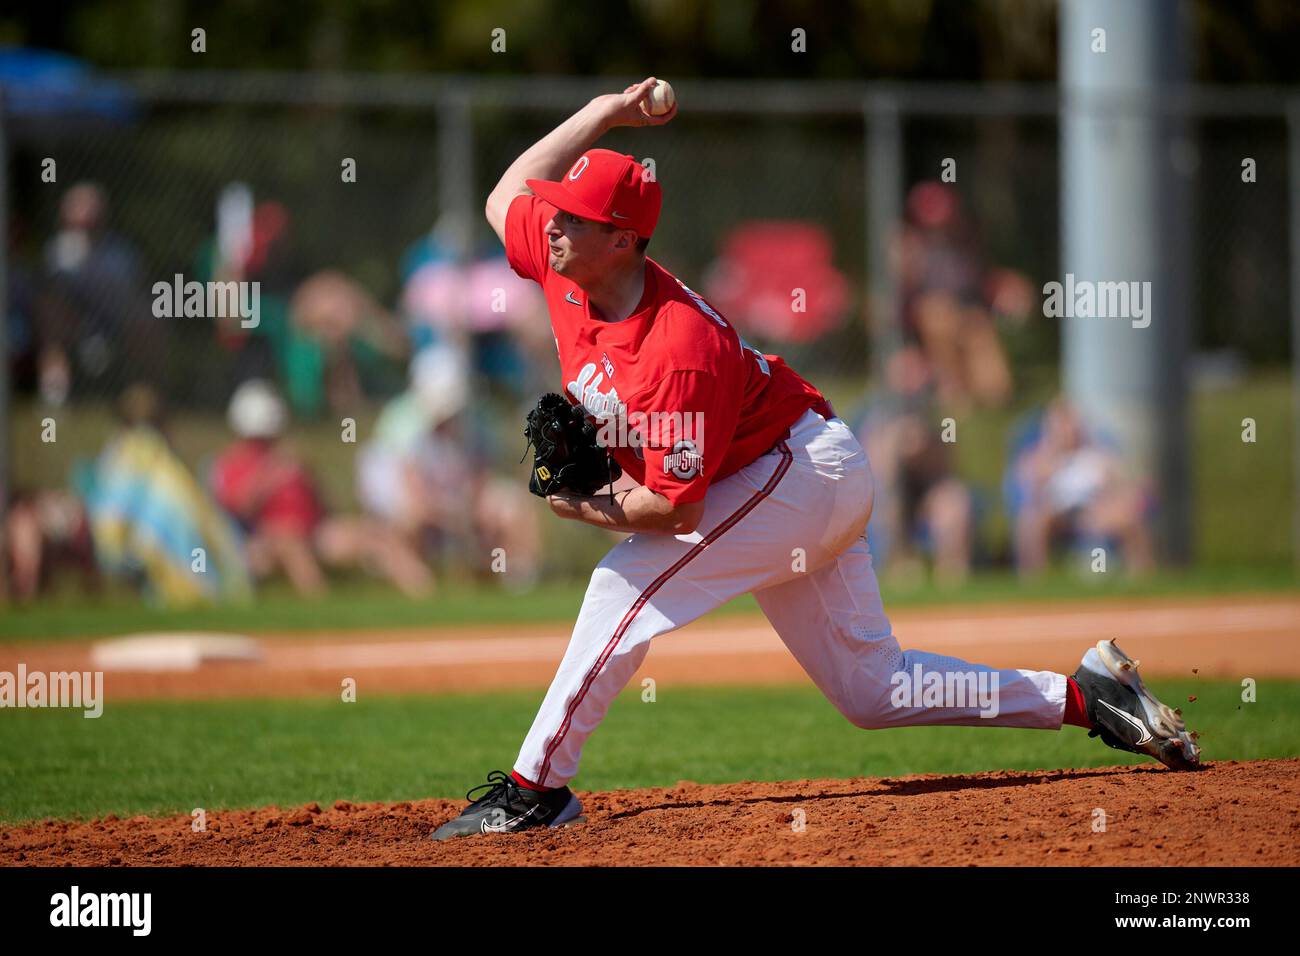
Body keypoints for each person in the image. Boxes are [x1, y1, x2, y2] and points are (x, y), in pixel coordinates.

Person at [430, 79, 1200, 841]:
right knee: (873, 690)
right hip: (778, 477)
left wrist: (580, 505)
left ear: (624, 239)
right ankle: (1086, 697)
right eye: (558, 211)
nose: (554, 225)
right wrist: (602, 115)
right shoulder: (568, 270)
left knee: (620, 588)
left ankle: (538, 790)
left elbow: (679, 511)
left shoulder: (679, 346)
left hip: (798, 474)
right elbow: (504, 198)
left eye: (578, 217)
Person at [211, 380, 433, 598]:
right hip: (268, 542)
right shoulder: (232, 464)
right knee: (290, 541)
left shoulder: (290, 457)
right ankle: (319, 603)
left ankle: (425, 596)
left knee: (373, 534)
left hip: (314, 532)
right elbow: (239, 506)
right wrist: (272, 475)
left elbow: (320, 500)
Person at [1011, 398, 1155, 577]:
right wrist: (1052, 454)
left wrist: (1130, 491)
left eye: (1071, 423)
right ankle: (1034, 578)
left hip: (1094, 510)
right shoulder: (1039, 456)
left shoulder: (1097, 453)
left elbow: (1120, 482)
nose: (1068, 430)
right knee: (1032, 521)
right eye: (1061, 424)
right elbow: (1027, 484)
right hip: (1056, 512)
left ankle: (1135, 575)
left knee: (1127, 519)